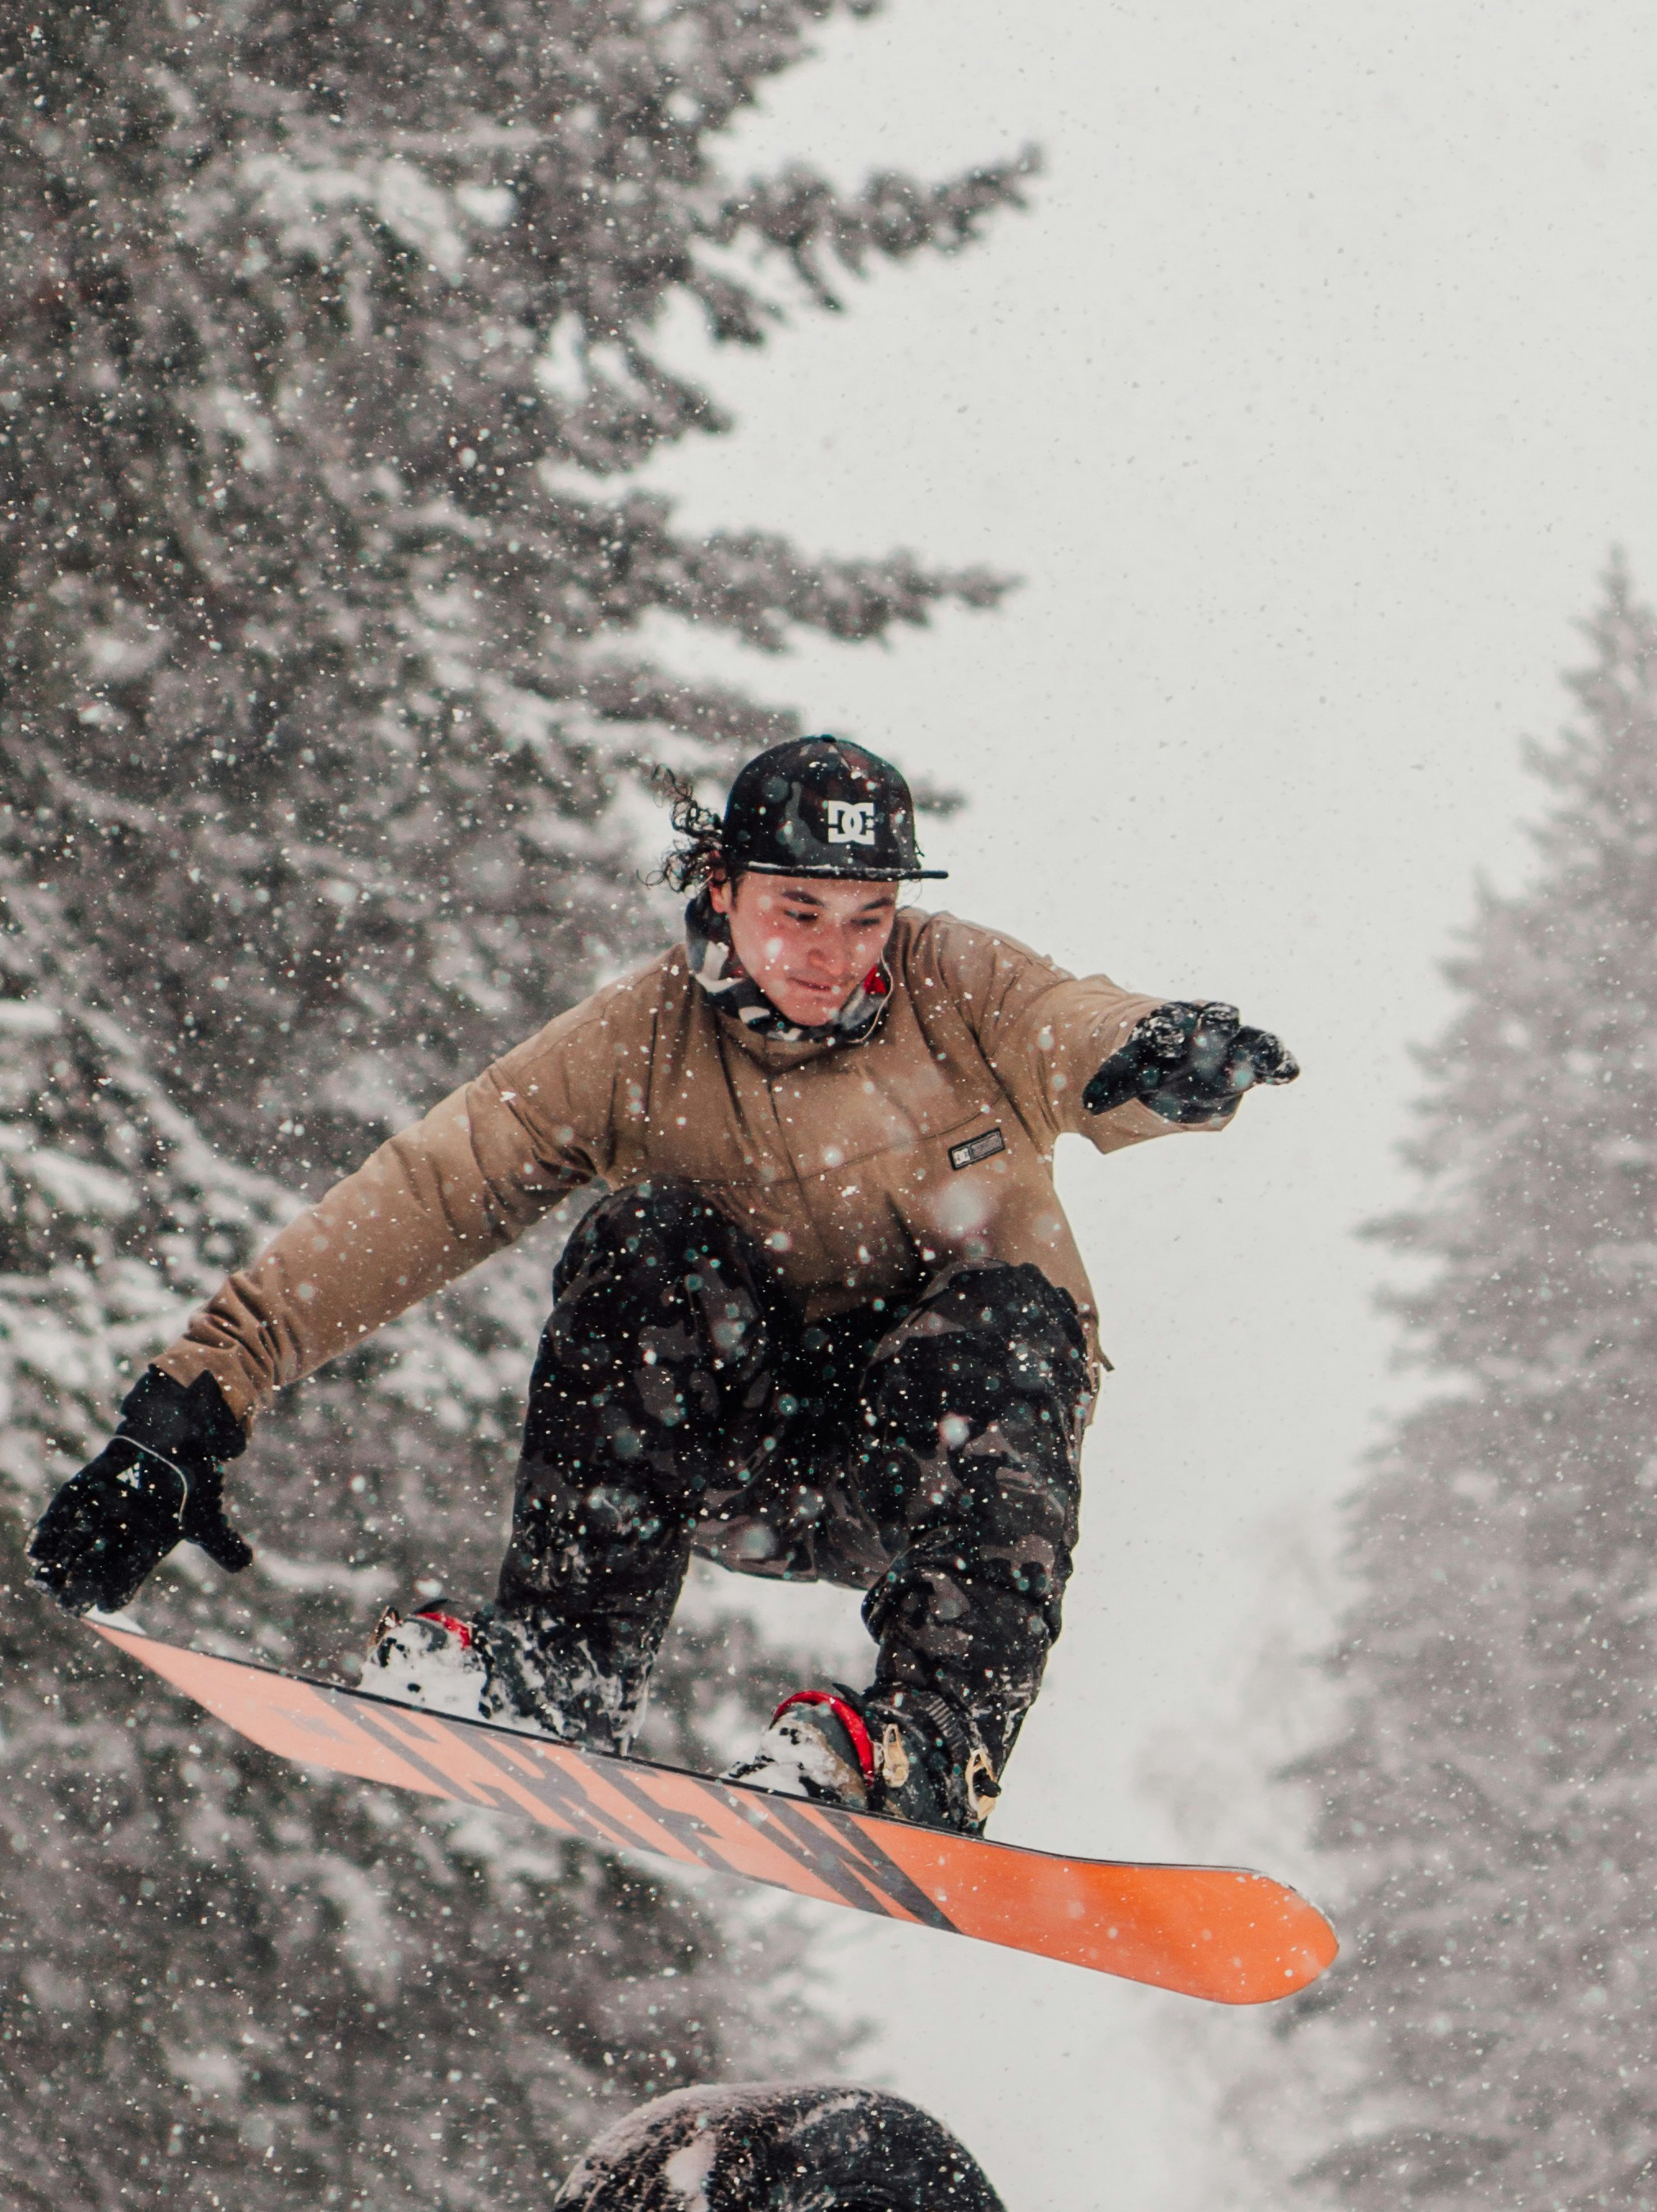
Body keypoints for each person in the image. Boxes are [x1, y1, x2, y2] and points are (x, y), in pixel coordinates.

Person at [26, 736, 1297, 1830]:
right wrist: (196, 1398)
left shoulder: (954, 985)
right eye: (798, 913)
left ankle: (928, 1745)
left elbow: (1071, 1023)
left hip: (934, 1458)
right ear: (722, 886)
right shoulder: (637, 1043)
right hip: (730, 1456)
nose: (834, 956)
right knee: (645, 1242)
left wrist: (1155, 1050)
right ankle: (560, 1674)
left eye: (867, 919)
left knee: (1012, 1308)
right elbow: (426, 1194)